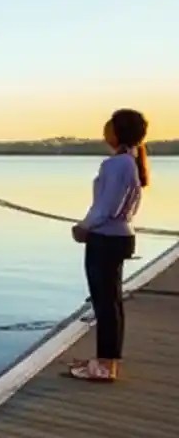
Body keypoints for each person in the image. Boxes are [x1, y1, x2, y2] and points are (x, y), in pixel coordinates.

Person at [68, 108, 149, 382]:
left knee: (105, 304)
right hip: (120, 237)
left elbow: (106, 206)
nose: (105, 130)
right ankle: (107, 360)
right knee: (111, 302)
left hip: (106, 239)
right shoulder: (130, 161)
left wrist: (84, 228)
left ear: (117, 131)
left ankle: (105, 366)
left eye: (110, 126)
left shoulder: (116, 164)